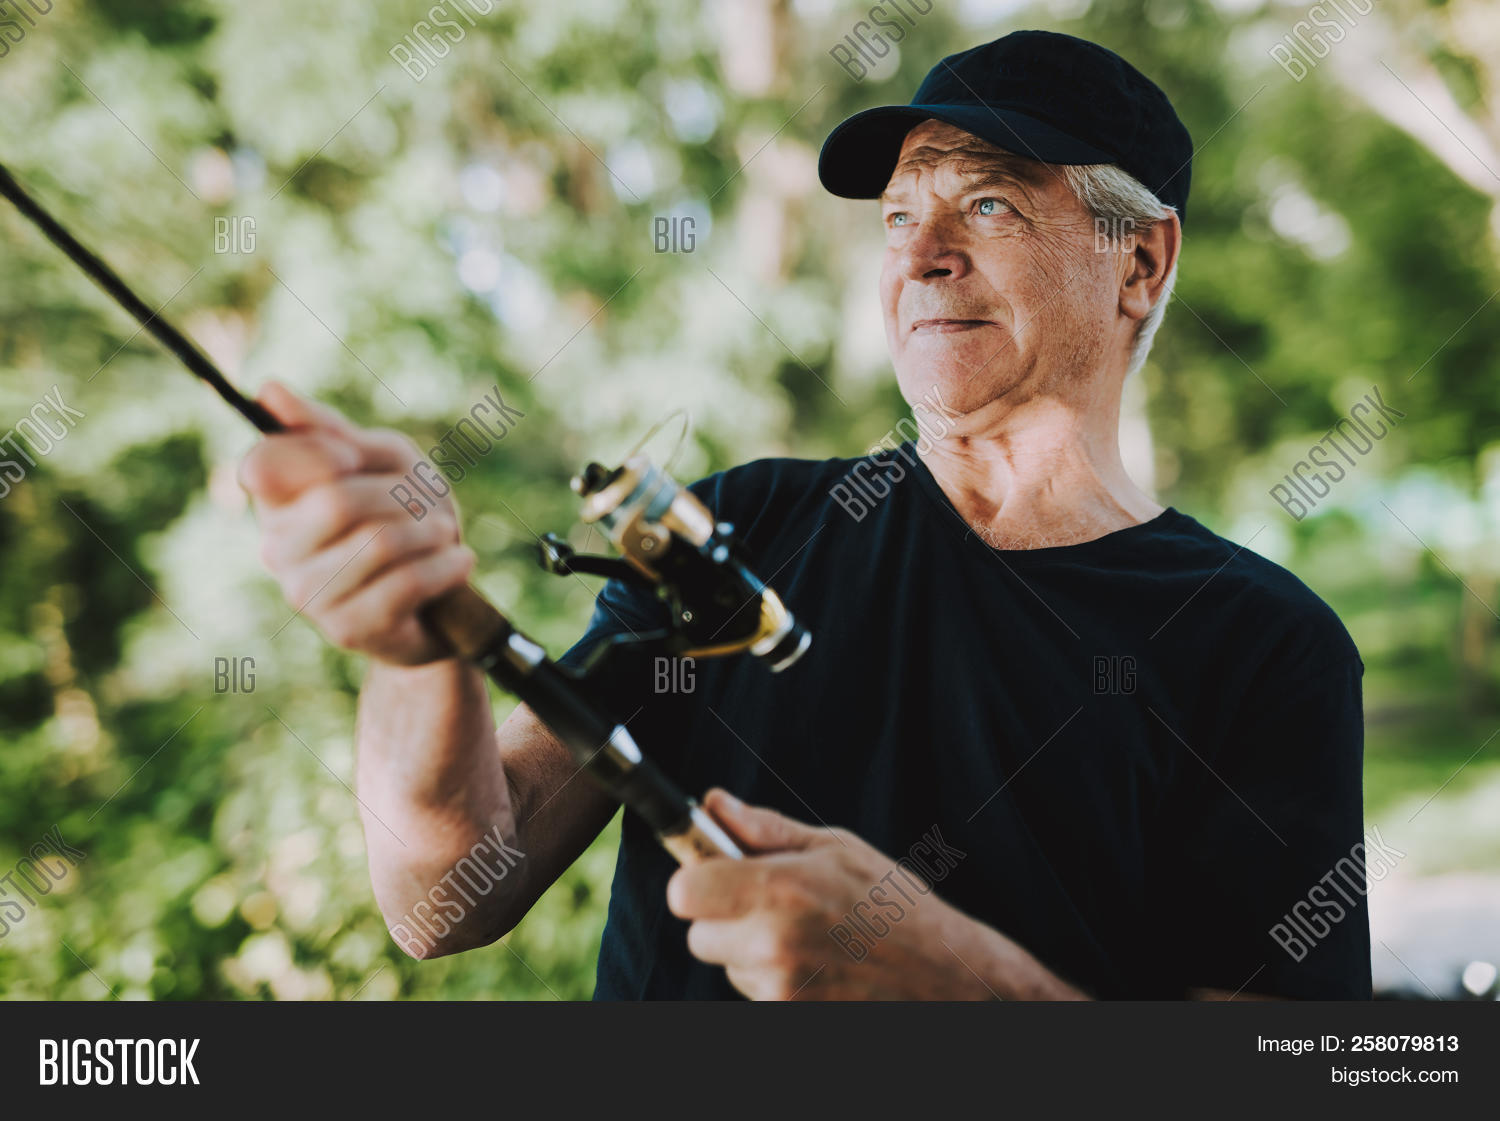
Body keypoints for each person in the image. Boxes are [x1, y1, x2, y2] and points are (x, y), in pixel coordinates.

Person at [239, 30, 1371, 1000]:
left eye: (987, 203)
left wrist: (960, 993)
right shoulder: (743, 522)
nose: (920, 258)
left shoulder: (1262, 643)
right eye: (896, 216)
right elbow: (443, 897)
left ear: (1140, 261)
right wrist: (413, 644)